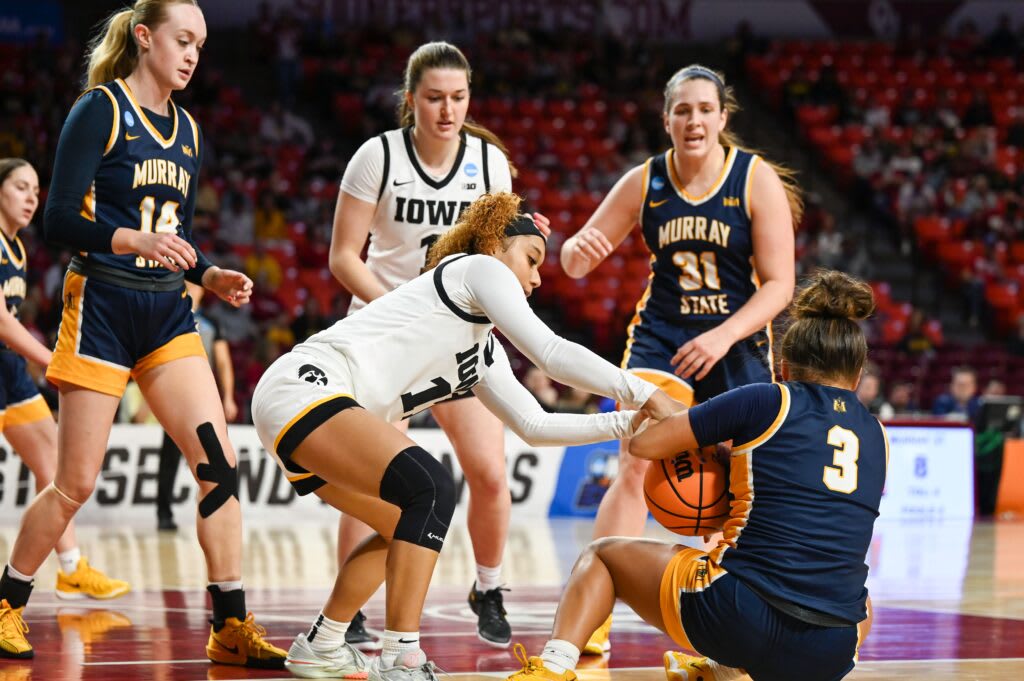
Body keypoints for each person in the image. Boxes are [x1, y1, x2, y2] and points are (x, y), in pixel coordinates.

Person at [252, 192, 680, 681]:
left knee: (399, 522)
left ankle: (322, 644)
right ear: (495, 244)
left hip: (302, 409)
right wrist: (646, 393)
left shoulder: (483, 350)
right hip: (305, 386)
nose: (537, 278)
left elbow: (534, 425)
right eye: (531, 259)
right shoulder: (475, 268)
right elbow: (550, 353)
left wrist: (627, 423)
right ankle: (402, 657)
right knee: (431, 487)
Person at [0, 1, 285, 667]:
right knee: (74, 481)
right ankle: (7, 600)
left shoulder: (189, 130)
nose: (192, 55)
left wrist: (208, 273)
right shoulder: (100, 110)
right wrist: (133, 240)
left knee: (220, 467)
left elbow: (175, 234)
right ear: (144, 37)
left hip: (165, 314)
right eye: (183, 40)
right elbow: (59, 220)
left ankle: (229, 623)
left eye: (200, 45)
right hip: (100, 303)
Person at [507, 270, 887, 681]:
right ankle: (720, 672)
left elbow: (643, 446)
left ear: (784, 367)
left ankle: (553, 667)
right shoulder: (879, 435)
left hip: (738, 615)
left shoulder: (765, 400)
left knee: (602, 555)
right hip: (832, 650)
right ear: (858, 375)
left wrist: (718, 452)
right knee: (857, 601)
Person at [558, 64, 800, 653]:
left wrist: (722, 336)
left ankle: (728, 609)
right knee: (634, 459)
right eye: (682, 110)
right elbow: (573, 259)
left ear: (723, 117)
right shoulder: (645, 180)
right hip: (662, 337)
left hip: (735, 339)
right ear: (666, 119)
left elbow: (780, 284)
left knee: (737, 483)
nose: (694, 120)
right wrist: (575, 253)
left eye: (704, 109)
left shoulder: (754, 178)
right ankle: (595, 616)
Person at [329, 40, 550, 649]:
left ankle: (489, 587)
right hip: (385, 338)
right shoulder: (376, 156)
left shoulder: (489, 162)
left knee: (490, 472)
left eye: (458, 97)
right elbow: (343, 256)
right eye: (434, 98)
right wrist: (401, 312)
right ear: (411, 100)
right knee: (372, 484)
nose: (447, 110)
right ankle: (350, 610)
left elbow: (500, 254)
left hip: (458, 337)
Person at [0, 158, 129, 604]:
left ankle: (71, 569)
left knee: (54, 464)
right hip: (12, 360)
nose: (31, 198)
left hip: (9, 372)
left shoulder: (16, 248)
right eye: (20, 187)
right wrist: (51, 358)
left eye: (36, 190)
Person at [156, 280, 236, 531]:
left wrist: (228, 397)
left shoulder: (211, 323)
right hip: (174, 395)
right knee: (169, 458)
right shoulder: (168, 314)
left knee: (216, 456)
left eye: (195, 285)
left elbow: (223, 362)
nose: (191, 288)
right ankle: (164, 513)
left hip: (204, 396)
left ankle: (218, 510)